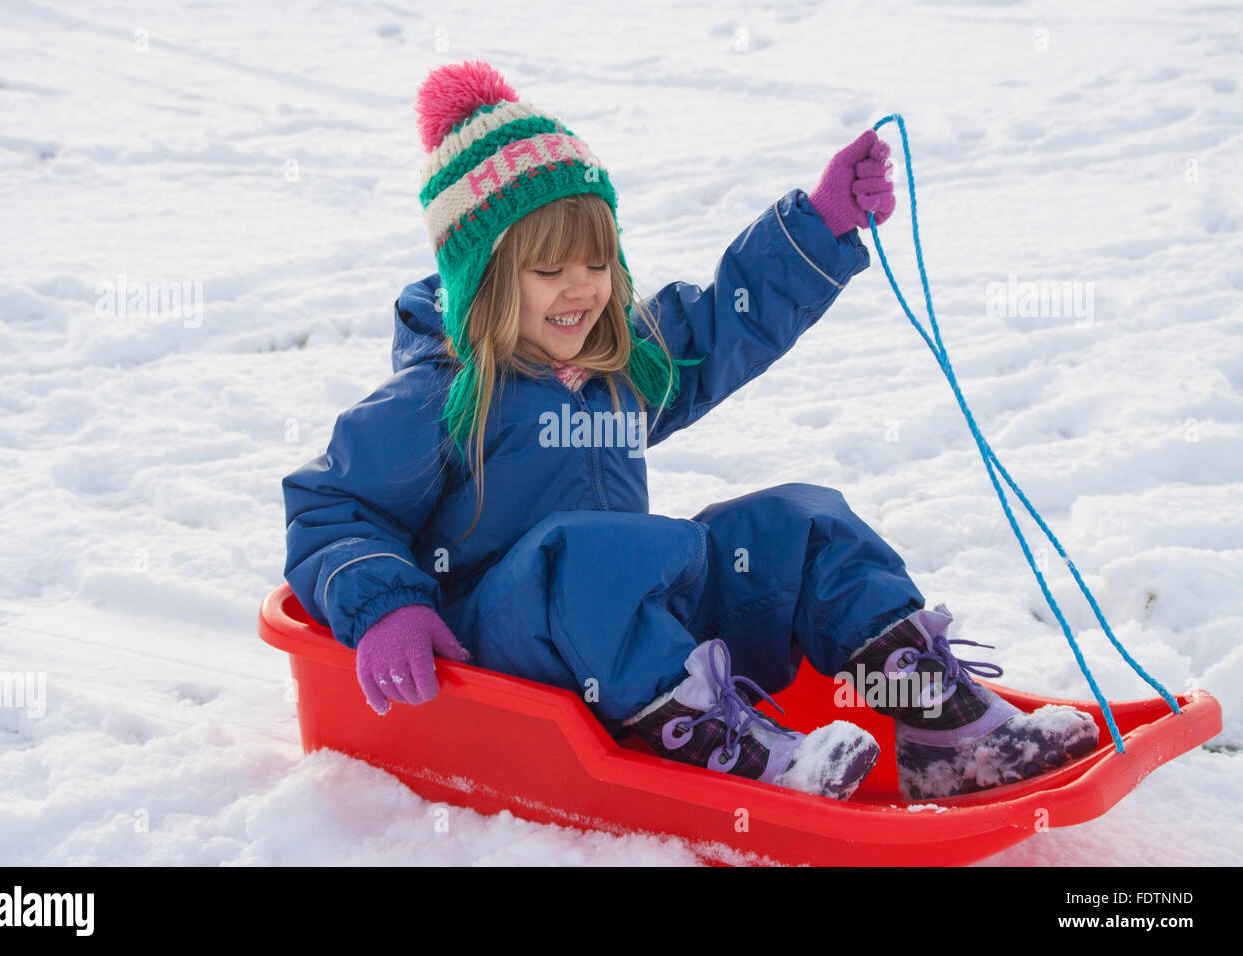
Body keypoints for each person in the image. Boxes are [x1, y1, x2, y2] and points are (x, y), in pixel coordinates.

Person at [282, 60, 1099, 802]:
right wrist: (387, 604)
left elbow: (718, 325)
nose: (582, 291)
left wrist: (820, 223)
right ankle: (737, 756)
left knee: (799, 521)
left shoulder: (615, 359)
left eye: (597, 263)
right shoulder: (439, 396)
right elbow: (331, 505)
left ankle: (939, 724)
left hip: (629, 625)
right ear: (484, 281)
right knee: (583, 551)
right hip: (501, 647)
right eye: (549, 270)